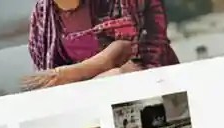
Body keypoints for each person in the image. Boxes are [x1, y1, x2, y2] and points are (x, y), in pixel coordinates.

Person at [25, 0, 180, 90]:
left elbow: (140, 52)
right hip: (86, 104)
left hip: (154, 83)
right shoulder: (42, 15)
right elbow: (46, 79)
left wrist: (68, 75)